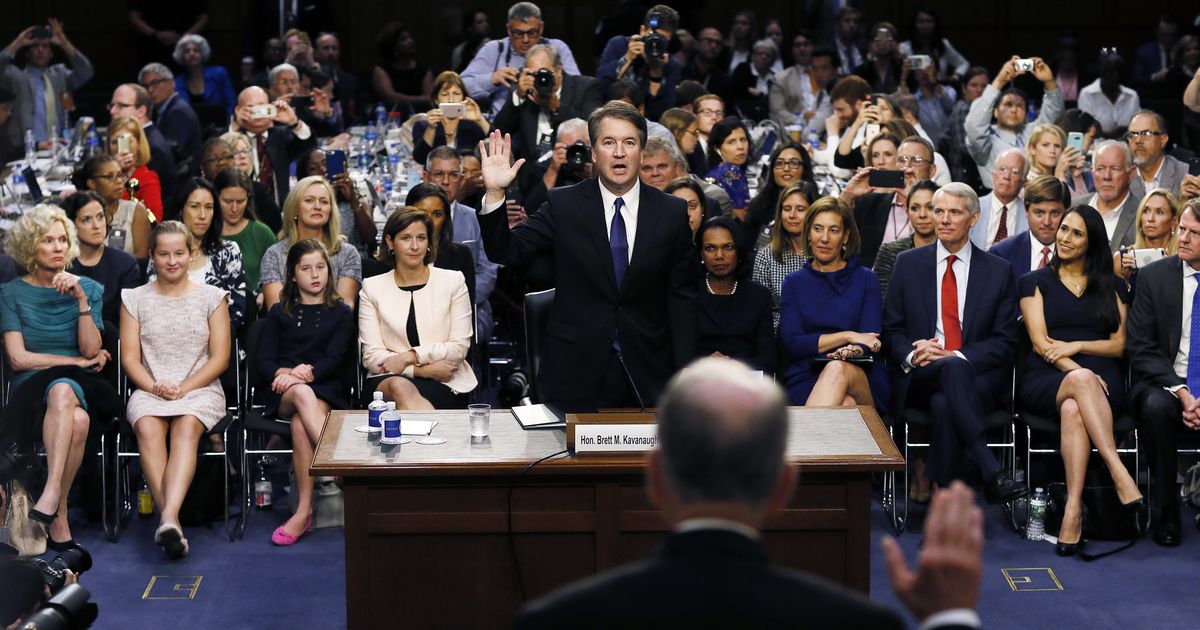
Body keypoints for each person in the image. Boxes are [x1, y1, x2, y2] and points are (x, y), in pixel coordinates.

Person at [515, 356, 986, 630]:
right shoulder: (860, 624)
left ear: (656, 479)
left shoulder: (554, 622)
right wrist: (948, 616)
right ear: (783, 485)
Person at [477, 101, 697, 411]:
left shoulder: (671, 212)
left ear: (641, 151)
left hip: (649, 370)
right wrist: (495, 193)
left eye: (629, 142)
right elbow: (506, 251)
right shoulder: (563, 204)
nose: (619, 152)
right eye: (608, 142)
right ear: (594, 152)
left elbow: (683, 297)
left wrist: (687, 367)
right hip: (574, 371)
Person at [883, 183, 1028, 506]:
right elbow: (891, 330)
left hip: (978, 377)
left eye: (954, 212)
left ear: (973, 218)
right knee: (947, 377)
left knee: (945, 401)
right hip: (921, 373)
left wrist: (956, 355)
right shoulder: (908, 263)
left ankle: (942, 501)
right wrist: (913, 353)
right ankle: (991, 469)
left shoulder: (998, 270)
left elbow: (1005, 341)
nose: (944, 219)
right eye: (939, 211)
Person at [1017, 205, 1141, 555]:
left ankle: (1072, 511)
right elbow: (1041, 344)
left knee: (1074, 409)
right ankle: (1118, 471)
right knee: (1080, 384)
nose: (1065, 238)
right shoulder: (1034, 281)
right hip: (1048, 375)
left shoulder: (1112, 285)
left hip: (1104, 378)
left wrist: (1079, 345)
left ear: (1092, 242)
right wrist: (1079, 373)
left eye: (1076, 233)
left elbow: (1119, 344)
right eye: (1064, 229)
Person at [1, 205, 117, 550]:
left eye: (63, 240)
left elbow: (91, 347)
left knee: (64, 389)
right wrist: (75, 362)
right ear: (30, 246)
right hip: (30, 389)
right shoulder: (10, 293)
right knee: (77, 420)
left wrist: (81, 299)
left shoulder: (90, 289)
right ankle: (60, 510)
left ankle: (51, 494)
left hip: (79, 386)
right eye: (47, 240)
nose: (57, 247)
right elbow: (18, 359)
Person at [121, 220, 230, 558]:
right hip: (150, 386)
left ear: (191, 253)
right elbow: (130, 359)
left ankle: (167, 517)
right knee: (148, 427)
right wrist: (154, 386)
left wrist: (184, 388)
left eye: (179, 253)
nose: (172, 261)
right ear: (151, 256)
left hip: (200, 387)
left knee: (185, 427)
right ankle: (171, 522)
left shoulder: (212, 297)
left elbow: (220, 358)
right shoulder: (134, 298)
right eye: (164, 254)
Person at [257, 239, 354, 545]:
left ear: (329, 271)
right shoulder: (279, 312)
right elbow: (264, 361)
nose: (315, 274)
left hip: (327, 389)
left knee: (301, 423)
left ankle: (303, 512)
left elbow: (336, 358)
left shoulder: (341, 312)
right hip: (286, 391)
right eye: (306, 268)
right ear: (292, 274)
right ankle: (337, 463)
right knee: (301, 395)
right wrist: (288, 374)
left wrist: (304, 374)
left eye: (321, 267)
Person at [1127, 200, 1200, 546]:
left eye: (1194, 233)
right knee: (1156, 408)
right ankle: (1166, 508)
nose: (1182, 238)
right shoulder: (1154, 277)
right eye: (1181, 228)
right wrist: (1184, 393)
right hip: (1165, 381)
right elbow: (1141, 346)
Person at [778, 196, 888, 409]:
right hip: (807, 373)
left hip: (860, 372)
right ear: (808, 234)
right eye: (818, 229)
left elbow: (870, 339)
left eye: (834, 230)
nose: (824, 238)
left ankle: (802, 432)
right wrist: (847, 336)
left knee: (837, 368)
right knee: (846, 404)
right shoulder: (794, 282)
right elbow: (793, 343)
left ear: (846, 236)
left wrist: (851, 349)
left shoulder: (866, 279)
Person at [360, 209, 476, 409]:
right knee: (399, 387)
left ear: (429, 243)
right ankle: (434, 429)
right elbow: (372, 356)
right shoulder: (372, 287)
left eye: (421, 238)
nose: (414, 246)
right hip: (387, 378)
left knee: (403, 397)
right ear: (390, 242)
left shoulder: (453, 281)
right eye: (406, 238)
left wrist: (409, 357)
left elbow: (458, 347)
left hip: (445, 379)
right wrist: (420, 371)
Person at [492, 44, 603, 191]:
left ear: (558, 70)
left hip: (573, 181)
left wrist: (556, 106)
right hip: (531, 186)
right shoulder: (523, 94)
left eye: (543, 73)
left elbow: (595, 128)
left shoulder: (585, 87)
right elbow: (498, 131)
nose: (540, 80)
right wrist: (518, 97)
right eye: (533, 74)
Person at [419, 147, 499, 340]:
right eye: (439, 174)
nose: (446, 181)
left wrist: (455, 303)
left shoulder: (477, 219)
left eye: (453, 175)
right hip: (417, 304)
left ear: (462, 179)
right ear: (425, 176)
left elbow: (487, 273)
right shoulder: (408, 219)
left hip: (470, 307)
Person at [149, 178, 247, 330]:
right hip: (165, 335)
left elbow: (236, 313)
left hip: (216, 337)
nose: (202, 215)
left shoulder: (228, 252)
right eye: (194, 206)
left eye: (209, 207)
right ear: (181, 209)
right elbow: (151, 306)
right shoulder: (162, 251)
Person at [461, 2, 581, 117]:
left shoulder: (557, 48)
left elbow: (577, 88)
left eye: (532, 33)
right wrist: (492, 79)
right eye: (518, 33)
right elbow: (461, 86)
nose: (525, 40)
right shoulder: (494, 50)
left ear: (541, 28)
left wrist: (549, 79)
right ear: (509, 29)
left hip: (549, 118)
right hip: (504, 124)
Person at [260, 176, 362, 311]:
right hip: (289, 324)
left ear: (330, 210)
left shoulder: (348, 253)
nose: (317, 207)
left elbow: (345, 308)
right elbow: (277, 310)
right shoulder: (274, 255)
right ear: (295, 208)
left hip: (334, 324)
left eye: (324, 202)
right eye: (309, 201)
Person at [839, 135, 939, 267]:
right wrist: (848, 194)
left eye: (917, 160)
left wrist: (913, 198)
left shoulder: (942, 208)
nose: (907, 166)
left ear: (932, 170)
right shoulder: (870, 204)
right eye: (902, 159)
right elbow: (834, 232)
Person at [964, 55, 1063, 188]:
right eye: (1008, 104)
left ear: (1026, 115)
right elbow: (974, 127)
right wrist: (1000, 81)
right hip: (999, 197)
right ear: (996, 112)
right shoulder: (986, 142)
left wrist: (1049, 81)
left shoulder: (1032, 133)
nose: (1014, 110)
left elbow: (1054, 115)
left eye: (1020, 106)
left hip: (1036, 195)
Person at [694, 217, 773, 373]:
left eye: (728, 247)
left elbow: (768, 359)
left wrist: (732, 365)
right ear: (701, 254)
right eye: (710, 248)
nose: (719, 255)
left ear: (739, 251)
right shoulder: (688, 294)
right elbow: (676, 354)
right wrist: (706, 363)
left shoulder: (759, 296)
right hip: (697, 378)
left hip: (747, 379)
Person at [0, 19, 93, 144]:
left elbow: (86, 72)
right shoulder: (15, 76)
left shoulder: (60, 75)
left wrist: (64, 43)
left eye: (45, 46)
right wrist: (17, 44)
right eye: (35, 46)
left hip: (58, 145)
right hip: (27, 148)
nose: (40, 50)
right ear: (27, 53)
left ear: (51, 53)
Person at [62, 192, 141, 326]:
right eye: (86, 220)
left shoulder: (126, 265)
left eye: (100, 217)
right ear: (71, 225)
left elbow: (129, 322)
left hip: (114, 336)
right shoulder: (62, 265)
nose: (97, 225)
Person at [231, 85, 317, 209]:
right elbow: (217, 149)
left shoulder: (281, 135)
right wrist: (235, 126)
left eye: (262, 106)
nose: (257, 111)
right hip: (242, 211)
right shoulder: (232, 138)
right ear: (238, 110)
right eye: (251, 107)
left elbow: (309, 147)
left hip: (279, 211)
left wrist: (294, 122)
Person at [596, 5, 683, 122]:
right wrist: (627, 59)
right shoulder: (619, 45)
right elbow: (601, 86)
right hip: (609, 117)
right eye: (653, 36)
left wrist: (656, 72)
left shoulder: (671, 64)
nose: (655, 43)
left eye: (663, 39)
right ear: (642, 30)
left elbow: (659, 113)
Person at [401, 183, 478, 308]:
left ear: (445, 218)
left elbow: (467, 310)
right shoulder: (395, 255)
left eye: (437, 214)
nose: (429, 221)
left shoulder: (460, 256)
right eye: (422, 213)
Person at [753, 183, 813, 330]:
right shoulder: (766, 256)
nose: (792, 215)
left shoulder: (822, 253)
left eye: (800, 209)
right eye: (787, 209)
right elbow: (759, 311)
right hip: (778, 332)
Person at [991, 175, 1071, 284]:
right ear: (1026, 211)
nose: (1047, 222)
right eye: (1039, 213)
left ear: (1067, 213)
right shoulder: (1002, 254)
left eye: (1055, 213)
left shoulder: (1080, 255)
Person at [71, 154, 153, 259]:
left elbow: (142, 256)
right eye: (109, 177)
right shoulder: (78, 212)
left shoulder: (136, 211)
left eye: (120, 175)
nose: (119, 181)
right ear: (92, 183)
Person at [296, 147, 378, 252]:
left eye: (326, 163)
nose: (322, 169)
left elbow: (370, 238)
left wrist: (353, 199)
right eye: (313, 168)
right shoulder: (302, 206)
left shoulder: (358, 201)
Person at [109, 84, 177, 208]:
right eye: (112, 105)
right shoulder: (149, 136)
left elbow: (149, 209)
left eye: (121, 106)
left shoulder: (153, 148)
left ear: (141, 111)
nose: (112, 111)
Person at [214, 168, 276, 295]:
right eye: (227, 201)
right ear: (215, 197)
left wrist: (265, 293)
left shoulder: (261, 233)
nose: (234, 208)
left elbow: (279, 274)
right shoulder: (205, 233)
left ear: (248, 198)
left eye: (241, 201)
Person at [874, 180, 939, 300]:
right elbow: (882, 301)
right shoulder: (889, 252)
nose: (922, 215)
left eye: (930, 207)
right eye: (915, 208)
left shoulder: (952, 253)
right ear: (907, 212)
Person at [1074, 140, 1141, 253]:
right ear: (1092, 172)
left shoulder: (1142, 215)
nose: (1107, 176)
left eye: (1115, 169)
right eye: (1100, 169)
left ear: (1131, 174)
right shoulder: (1073, 207)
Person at [744, 144, 814, 250]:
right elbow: (748, 249)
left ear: (804, 168)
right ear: (772, 170)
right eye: (780, 163)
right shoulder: (758, 207)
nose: (786, 168)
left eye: (793, 163)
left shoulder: (815, 206)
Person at [412, 71, 490, 166]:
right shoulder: (422, 125)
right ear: (436, 100)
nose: (451, 100)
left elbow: (497, 147)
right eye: (445, 94)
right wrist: (431, 129)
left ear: (463, 98)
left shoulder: (474, 126)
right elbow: (420, 158)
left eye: (456, 94)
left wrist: (480, 119)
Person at [140, 63, 202, 177]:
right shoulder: (159, 111)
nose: (150, 90)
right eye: (145, 85)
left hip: (183, 180)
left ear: (171, 83)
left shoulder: (179, 112)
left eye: (155, 83)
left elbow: (170, 155)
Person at [1113, 188, 1181, 285]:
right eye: (1146, 211)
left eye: (1160, 212)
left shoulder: (1183, 259)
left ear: (1174, 221)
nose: (1150, 218)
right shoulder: (1120, 259)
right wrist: (1126, 279)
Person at [217, 131, 282, 231]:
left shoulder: (259, 190)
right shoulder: (212, 189)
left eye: (245, 151)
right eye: (235, 152)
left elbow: (277, 226)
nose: (242, 156)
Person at [106, 114, 165, 221]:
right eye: (114, 142)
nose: (120, 148)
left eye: (127, 141)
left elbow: (155, 220)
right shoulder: (101, 176)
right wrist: (113, 170)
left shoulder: (148, 178)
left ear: (138, 144)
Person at [969, 149, 1029, 250]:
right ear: (993, 175)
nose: (1006, 176)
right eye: (1002, 169)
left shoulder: (1029, 214)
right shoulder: (972, 207)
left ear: (1024, 182)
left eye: (1015, 172)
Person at [370, 22, 432, 114]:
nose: (410, 41)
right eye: (404, 39)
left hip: (419, 116)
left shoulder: (423, 70)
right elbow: (390, 97)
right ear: (393, 46)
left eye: (410, 37)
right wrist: (421, 99)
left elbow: (430, 98)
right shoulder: (382, 69)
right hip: (390, 116)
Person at [897, 8, 971, 83]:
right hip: (912, 88)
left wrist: (955, 77)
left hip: (940, 87)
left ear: (935, 24)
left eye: (929, 21)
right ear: (914, 24)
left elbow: (963, 64)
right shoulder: (904, 47)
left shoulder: (943, 45)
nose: (925, 25)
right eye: (921, 22)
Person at [1127, 110, 1188, 199]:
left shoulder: (1185, 175)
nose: (1138, 140)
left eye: (1146, 134)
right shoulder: (1122, 176)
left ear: (1163, 140)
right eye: (1133, 134)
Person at [1077, 52, 1139, 137]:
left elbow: (1138, 127)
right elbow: (1086, 130)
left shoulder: (1132, 96)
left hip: (1128, 144)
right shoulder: (1087, 94)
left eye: (1119, 71)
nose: (1116, 75)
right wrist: (1114, 134)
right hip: (1096, 144)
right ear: (1102, 72)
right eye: (1112, 71)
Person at [173, 34, 236, 115]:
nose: (191, 54)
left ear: (203, 53)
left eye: (196, 50)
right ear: (182, 56)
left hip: (220, 121)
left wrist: (227, 120)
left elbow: (231, 101)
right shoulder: (177, 82)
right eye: (187, 51)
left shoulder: (219, 73)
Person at [705, 116, 751, 216]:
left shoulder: (716, 170)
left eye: (743, 139)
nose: (740, 146)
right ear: (717, 148)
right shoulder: (730, 171)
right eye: (731, 142)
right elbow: (743, 216)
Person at [314, 33, 361, 126]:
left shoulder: (350, 81)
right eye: (326, 48)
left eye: (334, 48)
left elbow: (360, 114)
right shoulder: (308, 81)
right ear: (316, 52)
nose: (331, 52)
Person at [728, 39, 777, 121]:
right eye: (760, 53)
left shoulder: (774, 77)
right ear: (753, 56)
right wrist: (761, 95)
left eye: (768, 55)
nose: (764, 57)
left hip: (767, 119)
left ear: (773, 61)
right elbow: (738, 89)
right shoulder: (743, 69)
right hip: (741, 116)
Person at [1055, 109, 1102, 196]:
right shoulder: (1046, 166)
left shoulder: (1085, 171)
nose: (1091, 147)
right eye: (1091, 140)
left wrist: (1077, 178)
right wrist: (1059, 174)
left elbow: (1083, 202)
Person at [854, 22, 906, 94]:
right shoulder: (862, 71)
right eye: (879, 39)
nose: (882, 43)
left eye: (886, 38)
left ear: (894, 42)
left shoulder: (903, 68)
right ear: (871, 43)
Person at [681, 27, 730, 99]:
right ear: (697, 44)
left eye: (718, 43)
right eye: (709, 41)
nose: (713, 46)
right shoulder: (681, 71)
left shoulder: (723, 80)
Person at [1133, 15, 1181, 82]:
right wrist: (1154, 77)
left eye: (1172, 35)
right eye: (1164, 35)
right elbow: (1136, 78)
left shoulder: (1185, 50)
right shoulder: (1144, 52)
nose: (1169, 39)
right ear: (1156, 32)